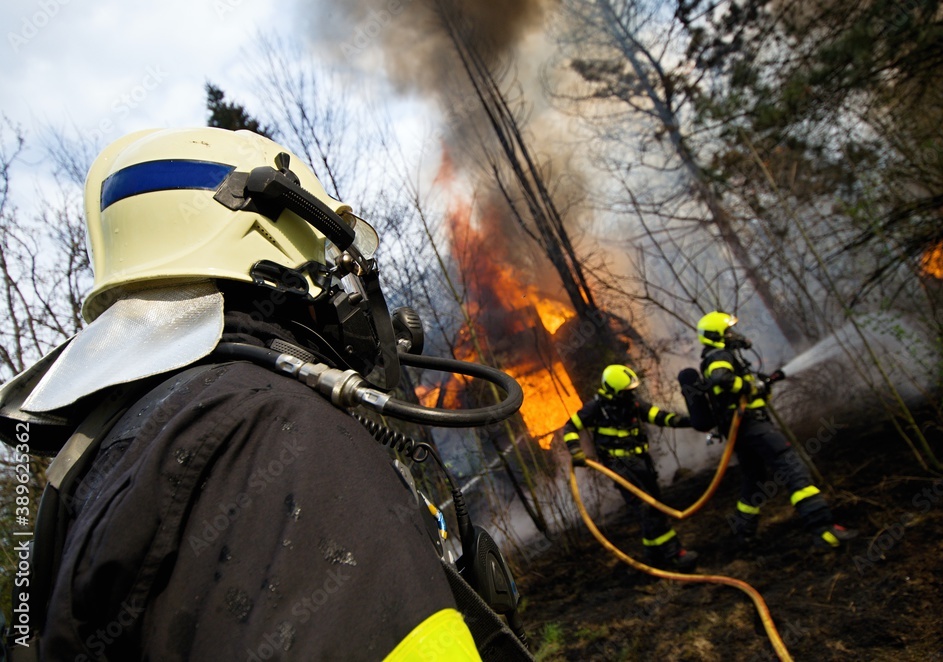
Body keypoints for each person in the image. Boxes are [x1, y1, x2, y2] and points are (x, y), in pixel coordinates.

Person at [0, 128, 531, 661]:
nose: (345, 294)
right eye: (332, 265)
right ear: (282, 258)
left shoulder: (123, 453)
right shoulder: (283, 438)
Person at [696, 311, 857, 550]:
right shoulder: (719, 356)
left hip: (742, 430)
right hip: (752, 426)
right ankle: (823, 529)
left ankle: (743, 532)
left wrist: (762, 386)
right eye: (728, 331)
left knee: (754, 478)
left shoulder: (719, 356)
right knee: (792, 468)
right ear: (715, 335)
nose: (733, 335)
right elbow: (721, 379)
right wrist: (752, 386)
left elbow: (738, 389)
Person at [561, 364, 698, 572]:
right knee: (648, 508)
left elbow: (658, 416)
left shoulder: (632, 403)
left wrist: (689, 421)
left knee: (654, 506)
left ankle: (653, 555)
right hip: (620, 467)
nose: (631, 394)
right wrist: (575, 450)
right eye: (626, 391)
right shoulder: (596, 408)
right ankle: (675, 554)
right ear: (613, 391)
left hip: (641, 462)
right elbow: (570, 426)